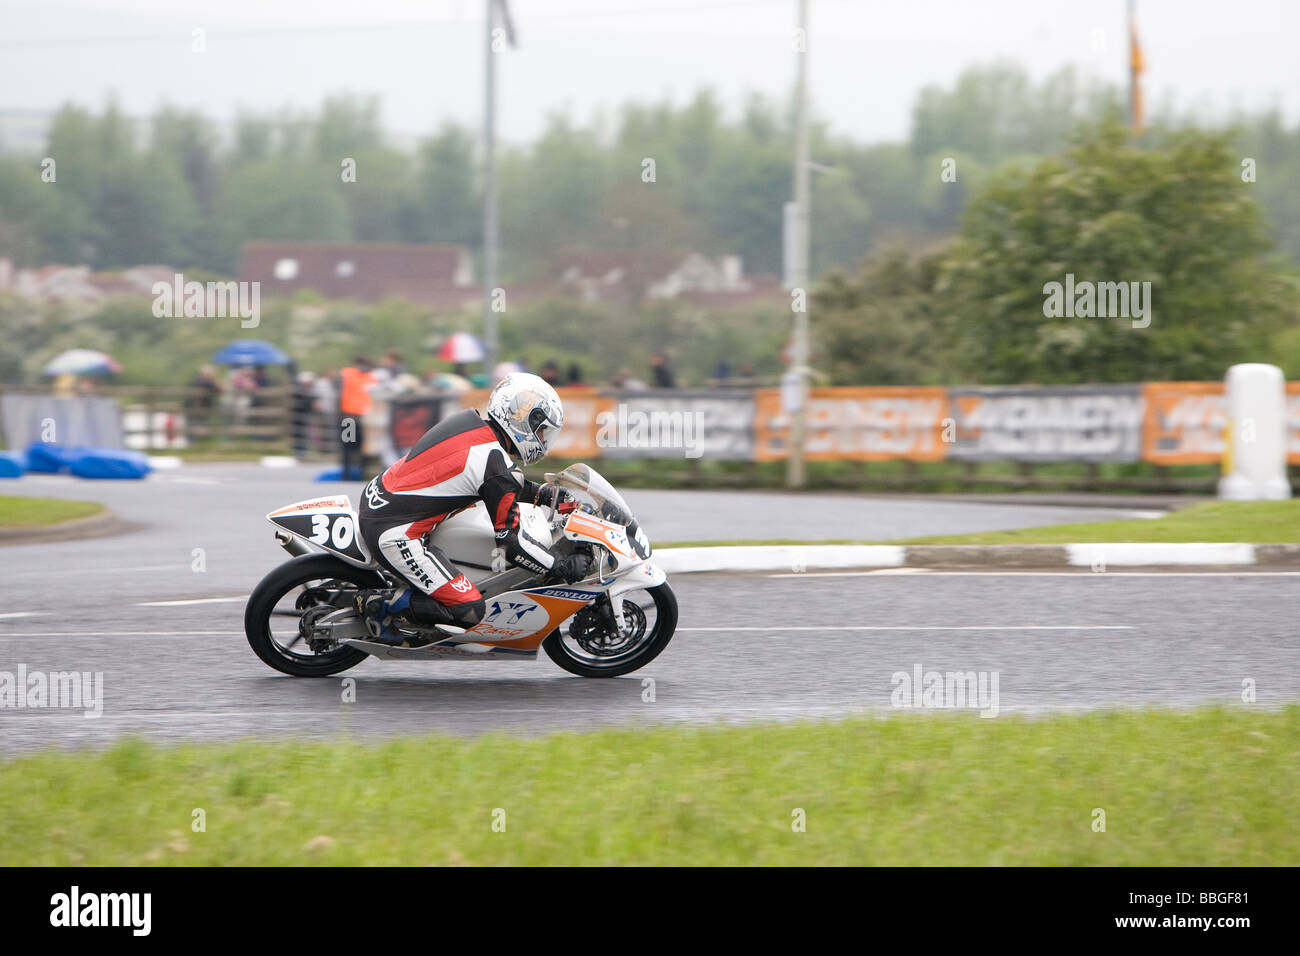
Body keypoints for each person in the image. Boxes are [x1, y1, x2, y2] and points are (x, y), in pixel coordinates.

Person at [355, 372, 590, 643]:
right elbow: (511, 545)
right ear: (521, 420)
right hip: (396, 532)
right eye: (541, 431)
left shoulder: (472, 424)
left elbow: (499, 483)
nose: (543, 439)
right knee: (471, 610)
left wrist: (547, 495)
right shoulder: (496, 469)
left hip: (379, 502)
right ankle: (376, 603)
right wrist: (558, 565)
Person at [338, 357, 375, 480]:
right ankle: (357, 474)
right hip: (359, 417)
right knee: (358, 446)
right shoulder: (371, 377)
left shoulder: (347, 374)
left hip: (351, 417)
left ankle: (348, 474)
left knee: (350, 447)